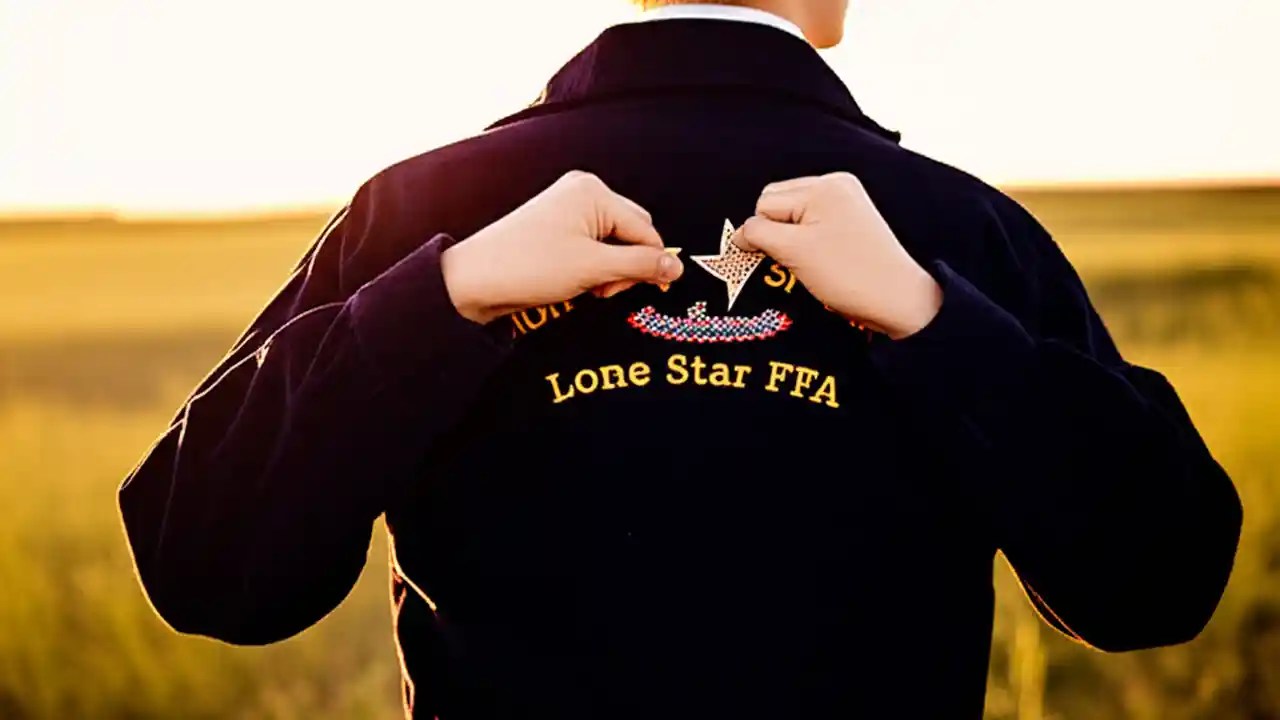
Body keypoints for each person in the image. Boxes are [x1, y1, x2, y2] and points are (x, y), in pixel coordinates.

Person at [118, 1, 1243, 717]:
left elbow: (204, 559)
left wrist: (433, 290)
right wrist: (941, 320)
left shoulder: (420, 206)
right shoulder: (957, 223)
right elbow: (1161, 574)